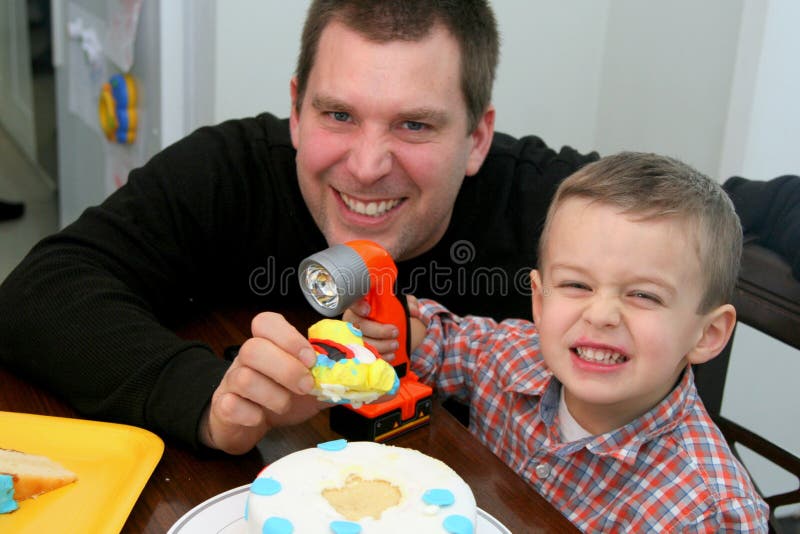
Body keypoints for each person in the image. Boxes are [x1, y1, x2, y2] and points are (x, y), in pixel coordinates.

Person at [0, 0, 598, 454]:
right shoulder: (230, 170)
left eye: (414, 125)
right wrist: (208, 398)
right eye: (338, 114)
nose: (366, 167)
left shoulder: (566, 208)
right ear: (295, 109)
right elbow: (42, 290)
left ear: (477, 139)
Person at [404, 152, 769, 531]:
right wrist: (403, 330)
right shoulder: (514, 357)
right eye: (577, 285)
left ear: (707, 334)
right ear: (541, 301)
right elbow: (442, 341)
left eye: (644, 295)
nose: (600, 315)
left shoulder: (707, 513)